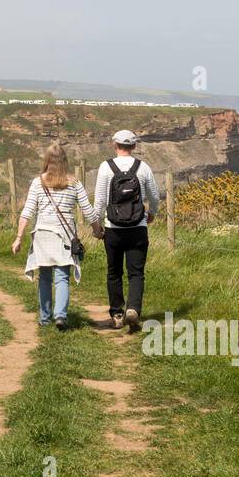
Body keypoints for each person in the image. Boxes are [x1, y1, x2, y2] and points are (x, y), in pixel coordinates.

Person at [11, 143, 100, 330]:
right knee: (62, 277)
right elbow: (88, 211)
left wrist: (19, 237)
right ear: (65, 162)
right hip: (64, 235)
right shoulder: (74, 183)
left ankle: (44, 318)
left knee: (44, 277)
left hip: (42, 234)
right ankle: (60, 316)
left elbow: (27, 211)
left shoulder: (38, 182)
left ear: (47, 161)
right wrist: (97, 230)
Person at [91, 129, 160, 333]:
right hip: (137, 228)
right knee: (136, 272)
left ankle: (117, 314)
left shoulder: (106, 167)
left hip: (113, 228)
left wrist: (96, 225)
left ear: (115, 145)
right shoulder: (143, 167)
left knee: (114, 272)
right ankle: (133, 309)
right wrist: (152, 213)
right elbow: (154, 196)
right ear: (134, 146)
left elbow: (101, 200)